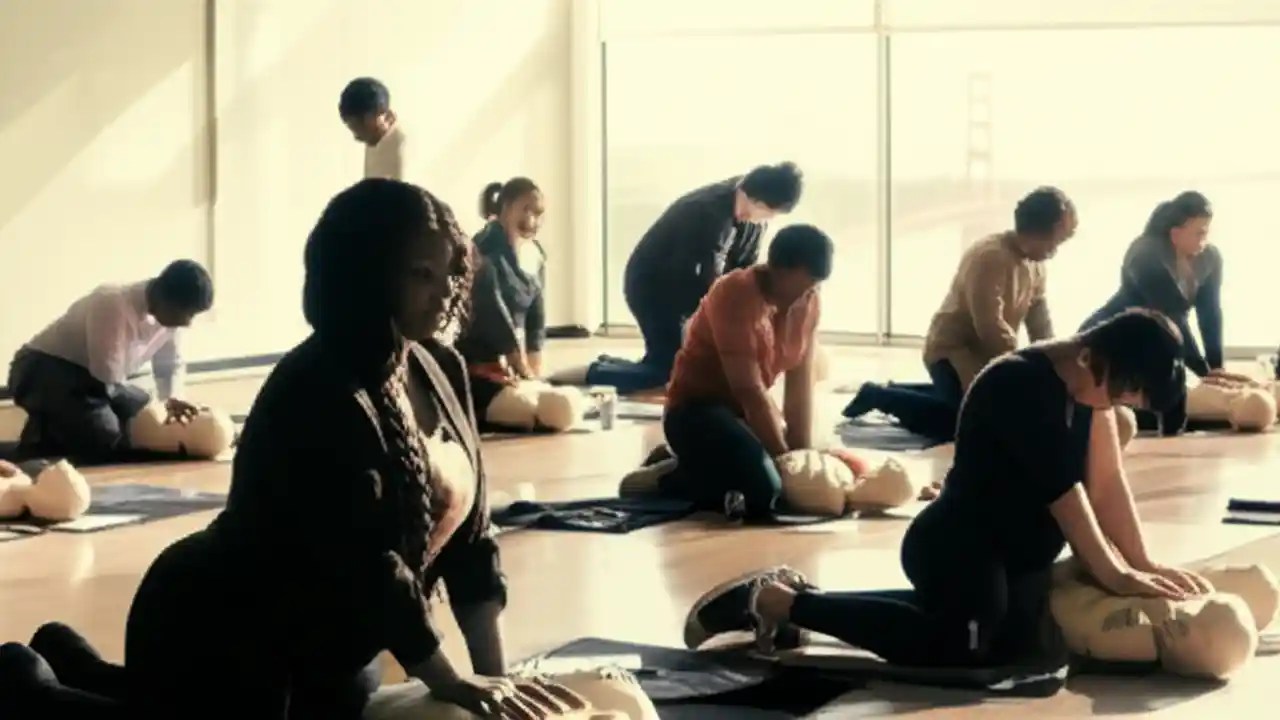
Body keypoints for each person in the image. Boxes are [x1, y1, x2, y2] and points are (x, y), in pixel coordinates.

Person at [0, 180, 531, 719]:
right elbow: (365, 564)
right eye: (422, 274)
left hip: (329, 646)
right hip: (221, 629)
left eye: (448, 275)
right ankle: (27, 685)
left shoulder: (443, 368)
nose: (443, 293)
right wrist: (448, 679)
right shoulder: (316, 386)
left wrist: (496, 679)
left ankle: (75, 662)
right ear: (368, 274)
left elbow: (472, 545)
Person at [681, 309, 1214, 674]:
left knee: (1006, 641)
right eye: (1124, 391)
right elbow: (1069, 500)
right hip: (960, 545)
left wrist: (1146, 562)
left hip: (1014, 558)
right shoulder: (1022, 385)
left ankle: (802, 603)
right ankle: (776, 601)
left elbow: (1106, 484)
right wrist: (1119, 576)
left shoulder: (1090, 393)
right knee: (964, 647)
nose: (1118, 404)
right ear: (1094, 357)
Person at [621, 225, 832, 522]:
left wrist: (802, 457)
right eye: (801, 286)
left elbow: (799, 388)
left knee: (791, 483)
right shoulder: (736, 293)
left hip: (744, 418)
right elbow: (749, 390)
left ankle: (700, 465)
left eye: (812, 288)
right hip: (697, 412)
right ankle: (667, 479)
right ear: (778, 270)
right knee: (765, 491)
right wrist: (784, 461)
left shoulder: (809, 302)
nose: (804, 297)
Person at [842, 187, 1076, 441]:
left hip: (989, 357)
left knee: (987, 412)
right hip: (951, 351)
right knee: (961, 423)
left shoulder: (1036, 265)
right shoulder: (990, 257)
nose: (1056, 250)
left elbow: (1039, 319)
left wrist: (1053, 360)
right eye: (1057, 240)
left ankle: (898, 390)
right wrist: (1019, 369)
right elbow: (989, 325)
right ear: (1039, 231)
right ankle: (878, 396)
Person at [583, 163, 805, 395]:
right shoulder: (708, 212)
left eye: (769, 214)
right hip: (654, 288)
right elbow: (704, 277)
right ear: (747, 191)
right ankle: (591, 372)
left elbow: (742, 270)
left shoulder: (754, 218)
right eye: (762, 209)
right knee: (671, 370)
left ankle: (612, 364)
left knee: (671, 359)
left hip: (685, 286)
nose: (761, 217)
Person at [5, 260, 214, 462]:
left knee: (124, 425)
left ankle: (47, 429)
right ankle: (34, 442)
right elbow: (107, 376)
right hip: (40, 370)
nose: (187, 323)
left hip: (94, 383)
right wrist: (151, 404)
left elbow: (169, 367)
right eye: (186, 313)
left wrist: (172, 400)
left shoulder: (169, 321)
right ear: (163, 296)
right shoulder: (111, 301)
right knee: (106, 435)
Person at [1080, 191, 1249, 435]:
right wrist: (1204, 374)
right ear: (1175, 233)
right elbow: (1170, 316)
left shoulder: (1210, 259)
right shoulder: (1145, 253)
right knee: (1139, 408)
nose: (1204, 241)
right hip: (1114, 341)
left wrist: (1216, 368)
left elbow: (1209, 313)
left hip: (1162, 344)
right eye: (1198, 233)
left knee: (1175, 414)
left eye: (1207, 232)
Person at [455, 177, 549, 419]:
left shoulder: (535, 254)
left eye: (538, 213)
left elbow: (536, 319)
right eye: (525, 210)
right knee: (532, 410)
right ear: (506, 207)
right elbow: (491, 310)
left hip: (513, 367)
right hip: (479, 362)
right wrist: (519, 365)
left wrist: (533, 370)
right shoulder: (483, 249)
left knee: (553, 404)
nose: (532, 220)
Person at [339, 77, 408, 181]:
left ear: (381, 114)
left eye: (361, 128)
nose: (357, 137)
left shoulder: (405, 146)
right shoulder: (375, 139)